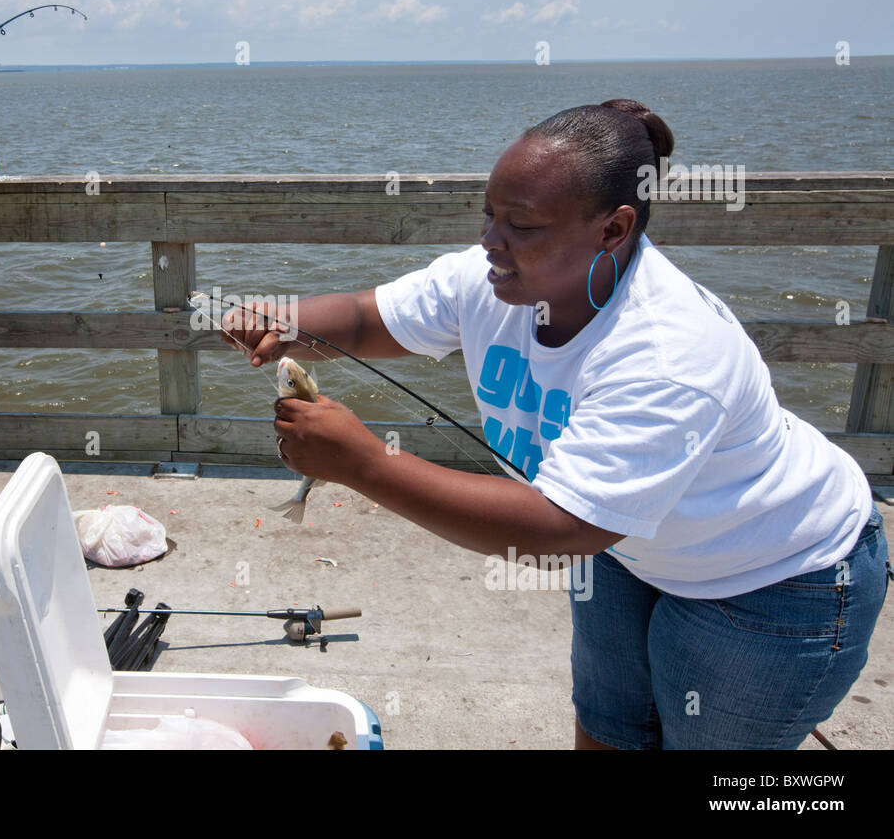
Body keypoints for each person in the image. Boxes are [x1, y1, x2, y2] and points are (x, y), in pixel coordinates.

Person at [224, 99, 889, 749]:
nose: (490, 241)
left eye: (523, 225)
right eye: (488, 215)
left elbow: (563, 528)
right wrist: (283, 319)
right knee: (607, 725)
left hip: (771, 575)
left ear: (613, 229)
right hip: (631, 550)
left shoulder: (668, 353)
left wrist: (364, 463)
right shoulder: (487, 280)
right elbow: (369, 321)